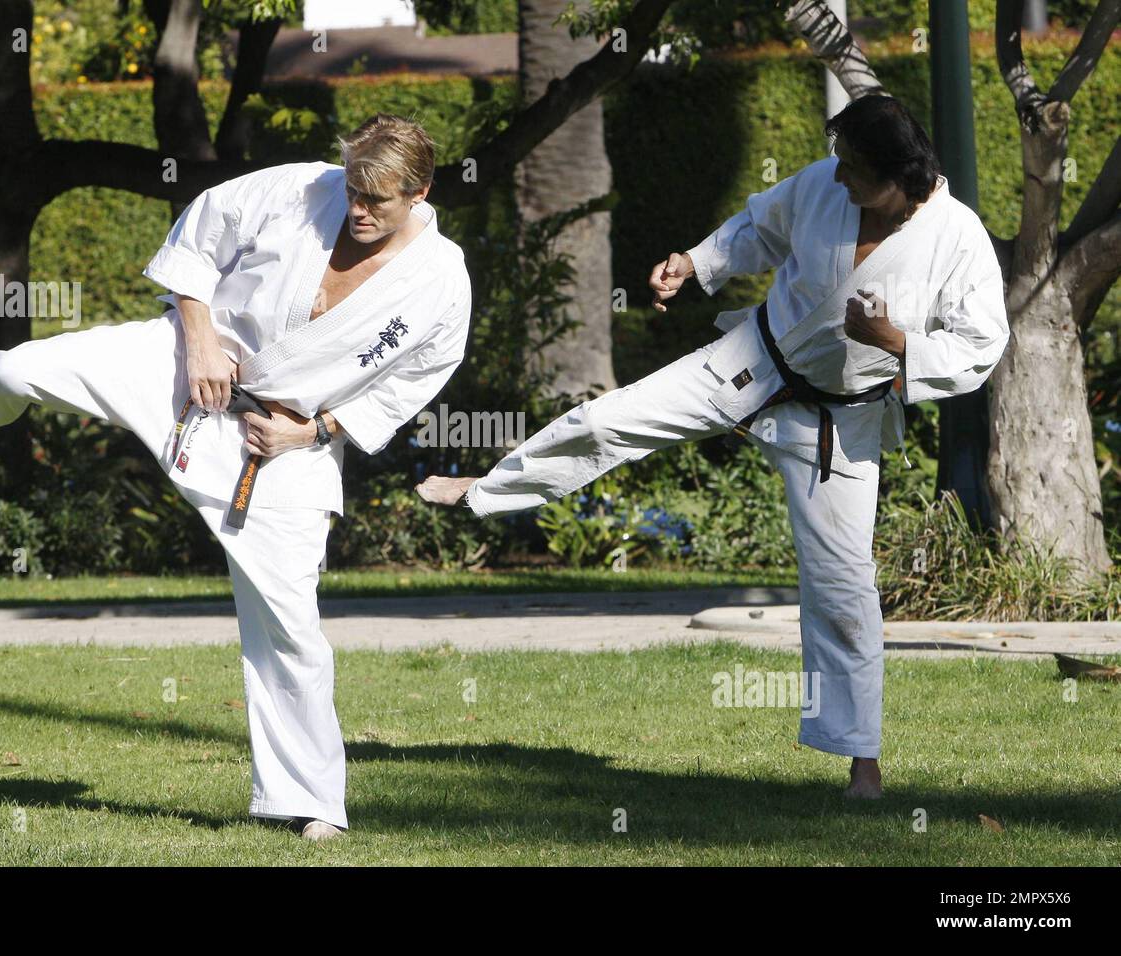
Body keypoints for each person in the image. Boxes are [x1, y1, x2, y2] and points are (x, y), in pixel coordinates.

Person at [0, 114, 473, 838]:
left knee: (289, 628)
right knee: (24, 367)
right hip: (185, 369)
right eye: (353, 190)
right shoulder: (298, 190)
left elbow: (411, 385)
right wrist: (200, 337)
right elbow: (199, 235)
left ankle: (309, 803)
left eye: (379, 199)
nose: (360, 209)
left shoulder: (440, 281)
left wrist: (312, 430)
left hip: (280, 442)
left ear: (421, 192)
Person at [417, 95, 1009, 799]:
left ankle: (862, 762)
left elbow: (981, 345)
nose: (838, 176)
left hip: (837, 422)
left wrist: (898, 344)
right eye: (839, 161)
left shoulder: (957, 239)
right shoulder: (825, 186)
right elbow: (763, 224)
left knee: (844, 588)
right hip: (750, 359)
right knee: (611, 419)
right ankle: (485, 489)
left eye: (853, 168)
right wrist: (696, 264)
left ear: (899, 176)